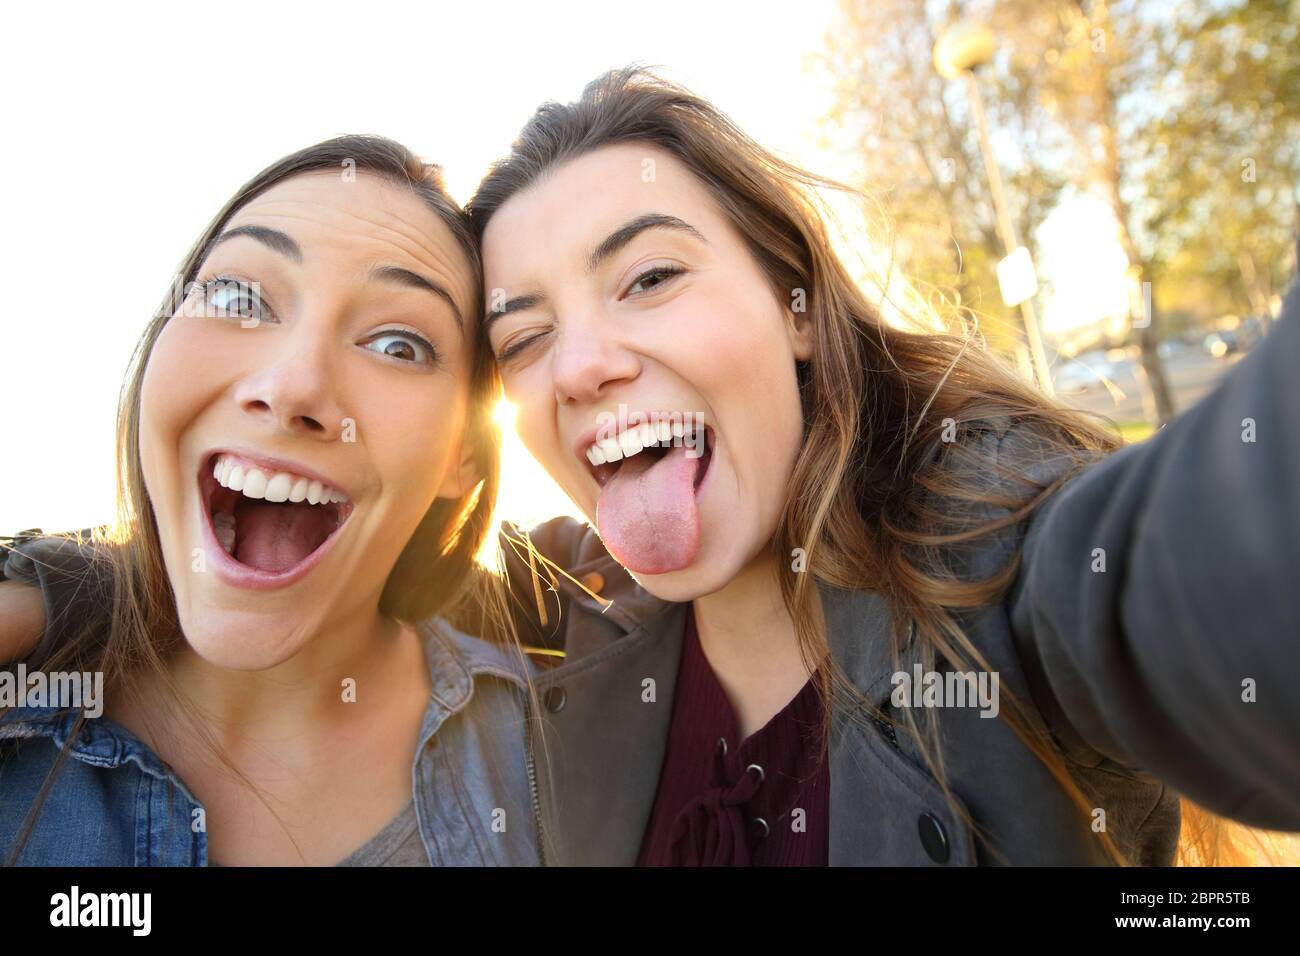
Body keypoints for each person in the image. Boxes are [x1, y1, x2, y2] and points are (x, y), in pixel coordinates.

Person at [465, 67, 1300, 865]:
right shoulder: (557, 611)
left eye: (649, 277)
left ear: (794, 305)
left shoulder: (997, 549)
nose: (577, 368)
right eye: (524, 339)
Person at [0, 136, 538, 866]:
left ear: (466, 454)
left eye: (398, 344)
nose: (290, 388)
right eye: (236, 297)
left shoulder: (556, 768)